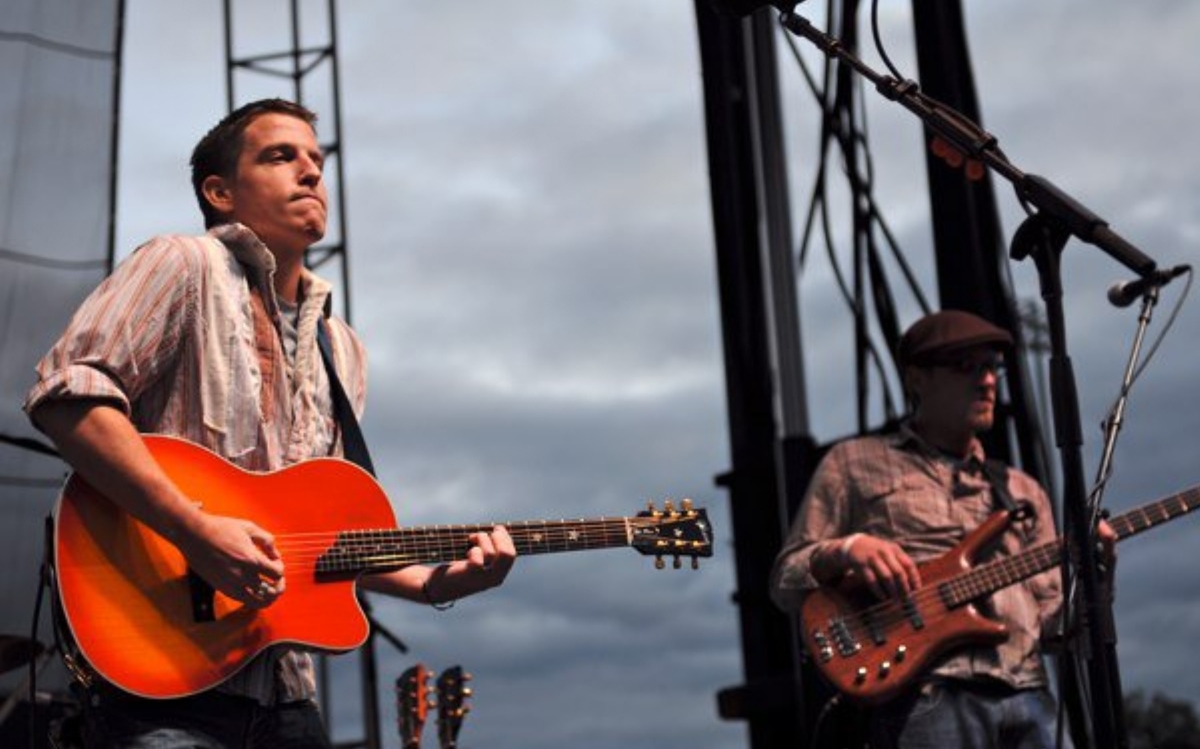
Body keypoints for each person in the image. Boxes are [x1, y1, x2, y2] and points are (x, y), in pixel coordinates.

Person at [24, 98, 516, 748]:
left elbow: (317, 541)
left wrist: (433, 583)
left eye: (316, 160)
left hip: (285, 691)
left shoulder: (343, 348)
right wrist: (194, 529)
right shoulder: (182, 264)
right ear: (220, 192)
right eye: (281, 156)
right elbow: (67, 394)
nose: (311, 172)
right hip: (160, 672)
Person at [769, 309, 1114, 749]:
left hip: (1028, 691)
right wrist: (846, 549)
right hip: (928, 694)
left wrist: (1097, 576)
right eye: (966, 366)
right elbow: (785, 580)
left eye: (992, 367)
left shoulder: (1021, 491)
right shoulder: (853, 463)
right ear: (917, 380)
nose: (987, 381)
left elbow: (1059, 628)